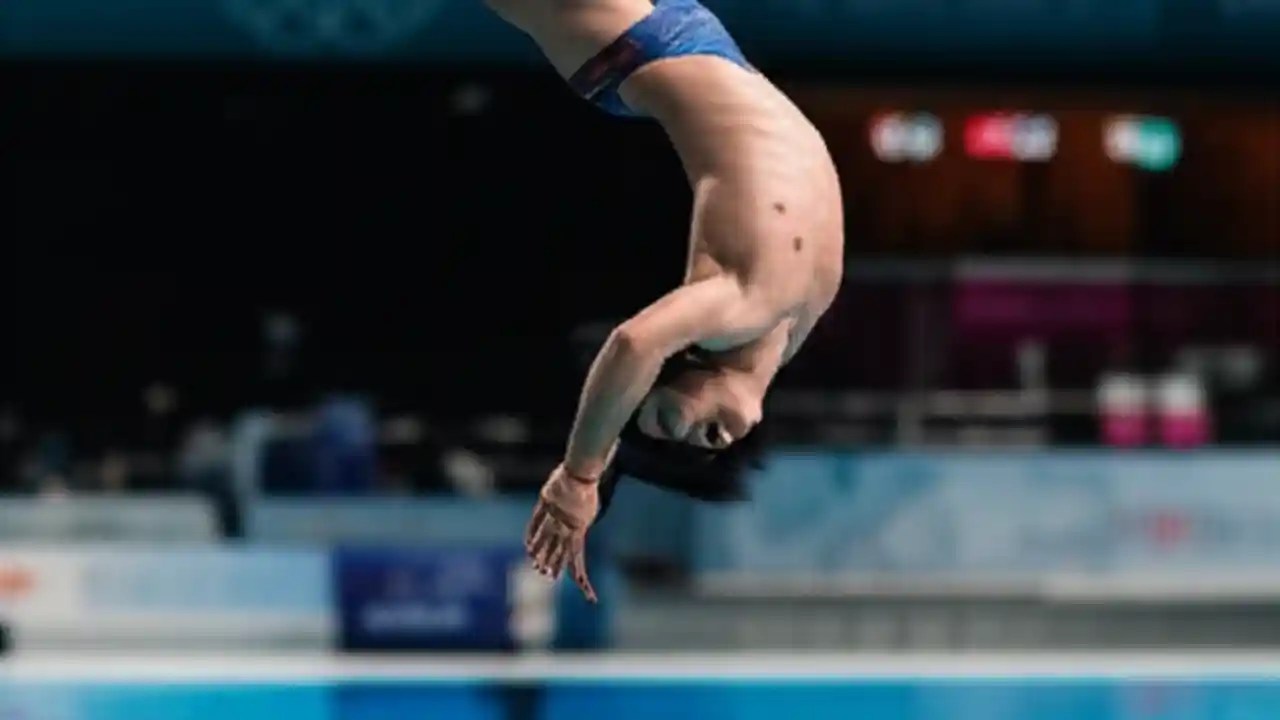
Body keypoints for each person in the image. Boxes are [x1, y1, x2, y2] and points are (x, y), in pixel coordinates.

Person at [484, 0, 845, 601]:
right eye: (706, 437)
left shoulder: (747, 308)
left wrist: (585, 474)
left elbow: (635, 344)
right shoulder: (770, 315)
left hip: (641, 52)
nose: (706, 427)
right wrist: (588, 474)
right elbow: (642, 353)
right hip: (673, 47)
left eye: (670, 419)